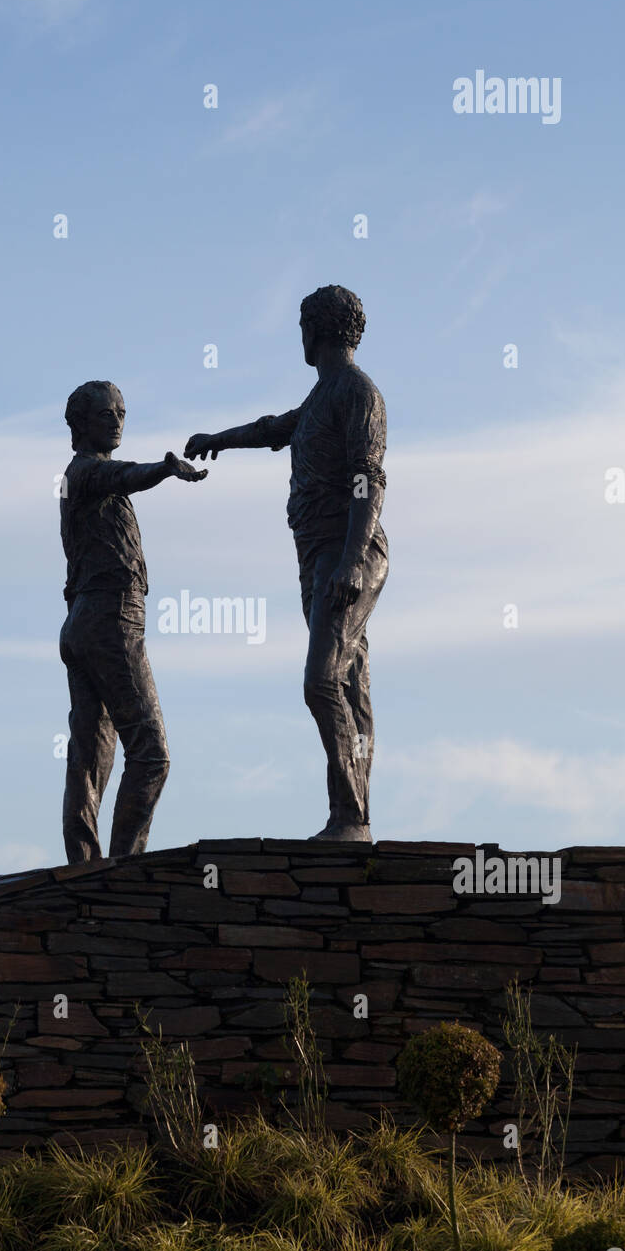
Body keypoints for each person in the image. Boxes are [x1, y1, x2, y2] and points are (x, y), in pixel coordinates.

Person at [185, 285, 388, 841]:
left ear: (317, 329)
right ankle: (352, 817)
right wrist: (218, 440)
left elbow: (369, 477)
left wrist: (350, 560)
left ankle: (351, 816)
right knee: (349, 681)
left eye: (301, 326)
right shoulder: (320, 397)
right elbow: (276, 428)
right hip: (318, 553)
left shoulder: (357, 392)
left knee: (321, 682)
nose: (298, 337)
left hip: (347, 551)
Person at [59, 380, 207, 862]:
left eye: (122, 412)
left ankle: (84, 864)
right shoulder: (85, 473)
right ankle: (123, 868)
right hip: (109, 621)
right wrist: (163, 469)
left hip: (84, 622)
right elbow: (125, 476)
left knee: (90, 754)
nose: (118, 420)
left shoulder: (80, 480)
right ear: (81, 423)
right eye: (107, 414)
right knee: (151, 754)